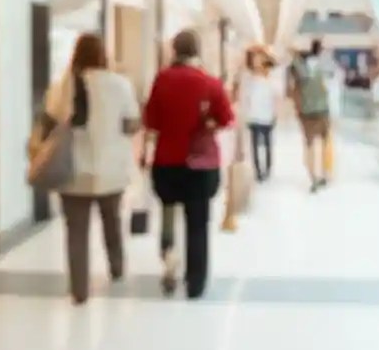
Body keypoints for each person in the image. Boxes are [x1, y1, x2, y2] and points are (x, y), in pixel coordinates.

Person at [43, 33, 141, 305]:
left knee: (76, 231)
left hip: (73, 170)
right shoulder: (120, 84)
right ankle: (117, 268)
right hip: (111, 170)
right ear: (102, 55)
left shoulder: (63, 86)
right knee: (112, 222)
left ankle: (79, 289)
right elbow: (132, 124)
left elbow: (50, 122)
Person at [144, 29, 234, 299]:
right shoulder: (210, 83)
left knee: (168, 212)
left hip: (167, 163)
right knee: (198, 224)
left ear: (174, 50)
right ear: (198, 51)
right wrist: (209, 123)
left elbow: (151, 121)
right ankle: (196, 283)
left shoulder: (162, 80)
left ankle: (170, 262)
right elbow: (227, 118)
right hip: (201, 166)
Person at [288, 39, 333, 193]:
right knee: (324, 142)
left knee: (310, 145)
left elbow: (292, 91)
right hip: (322, 110)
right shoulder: (322, 67)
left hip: (306, 112)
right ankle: (325, 173)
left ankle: (313, 177)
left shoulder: (296, 68)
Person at [234, 46, 277, 181]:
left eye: (260, 59)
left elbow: (274, 96)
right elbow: (244, 95)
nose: (257, 62)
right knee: (254, 145)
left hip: (267, 114)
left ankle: (268, 168)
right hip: (253, 115)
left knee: (268, 144)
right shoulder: (248, 77)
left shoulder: (270, 76)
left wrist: (275, 112)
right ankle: (258, 171)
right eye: (255, 59)